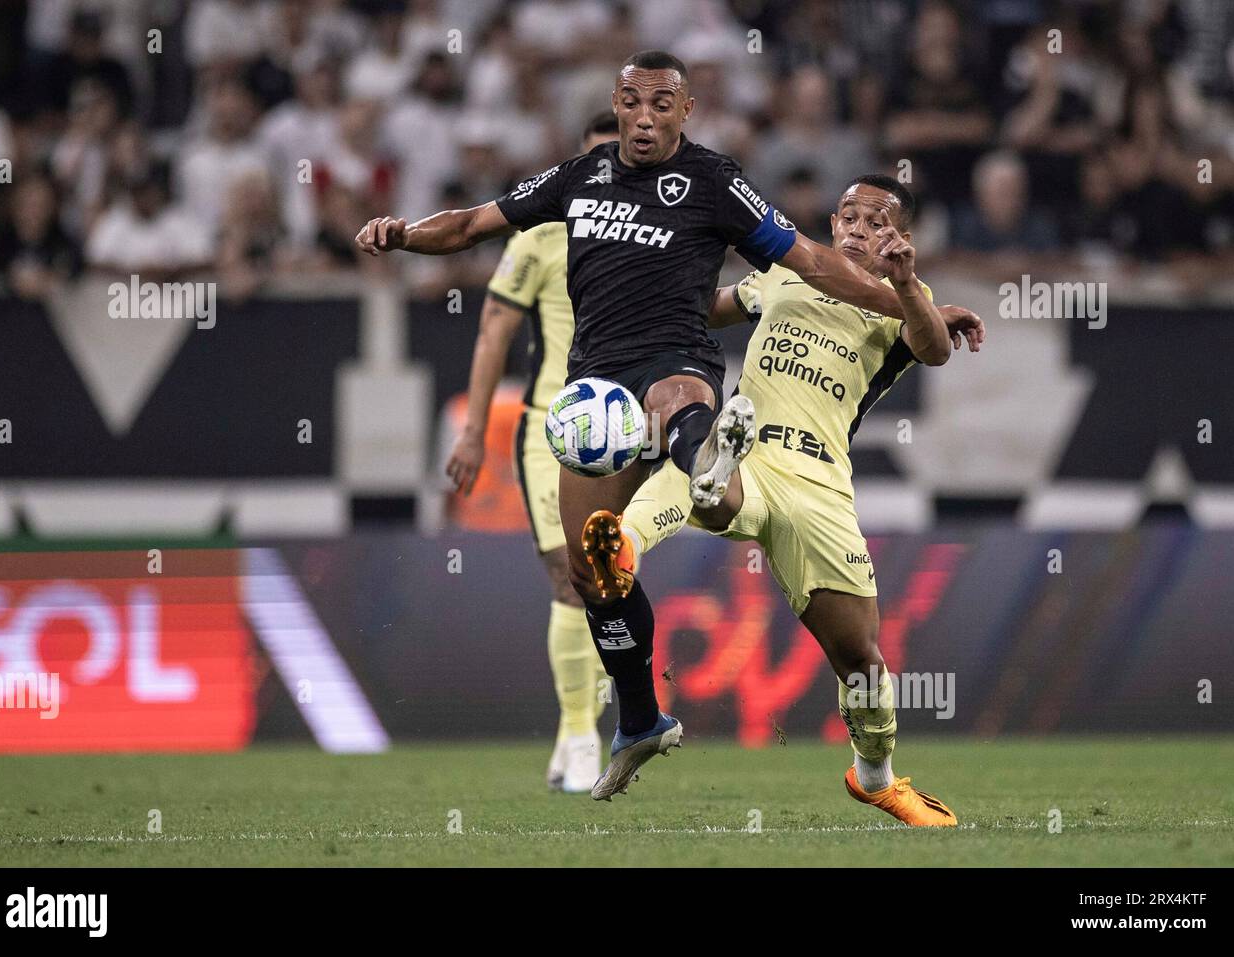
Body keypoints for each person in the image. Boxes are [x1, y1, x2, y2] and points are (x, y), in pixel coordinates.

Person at [356, 51, 980, 801]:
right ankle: (641, 717)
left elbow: (819, 265)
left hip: (698, 384)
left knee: (850, 642)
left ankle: (708, 461)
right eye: (631, 102)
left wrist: (915, 298)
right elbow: (469, 224)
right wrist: (401, 235)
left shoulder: (716, 181)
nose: (645, 117)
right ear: (616, 105)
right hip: (594, 387)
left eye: (662, 104)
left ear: (686, 111)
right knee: (594, 570)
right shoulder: (577, 179)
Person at [598, 175, 984, 825]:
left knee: (860, 654)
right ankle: (625, 545)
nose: (860, 228)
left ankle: (876, 777)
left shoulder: (902, 299)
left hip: (817, 479)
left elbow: (934, 349)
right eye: (850, 216)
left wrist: (910, 284)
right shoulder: (786, 272)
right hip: (751, 449)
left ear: (901, 236)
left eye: (877, 220)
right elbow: (705, 307)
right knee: (703, 471)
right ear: (833, 223)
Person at [444, 112, 620, 793]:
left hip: (632, 434)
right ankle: (581, 734)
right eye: (596, 158)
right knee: (571, 578)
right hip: (555, 425)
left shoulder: (663, 234)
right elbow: (494, 328)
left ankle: (570, 727)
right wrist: (471, 430)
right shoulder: (543, 233)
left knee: (610, 585)